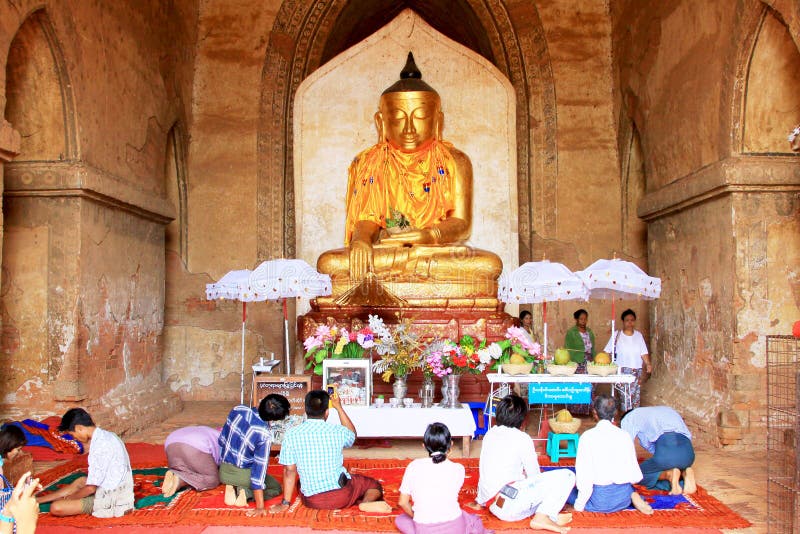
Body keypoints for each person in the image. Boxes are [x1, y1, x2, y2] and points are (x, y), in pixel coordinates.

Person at [317, 52, 502, 306]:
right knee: (330, 263)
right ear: (381, 122)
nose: (409, 129)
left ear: (438, 120)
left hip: (433, 250)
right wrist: (360, 241)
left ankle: (408, 273)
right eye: (399, 118)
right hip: (386, 250)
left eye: (420, 116)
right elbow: (368, 219)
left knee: (488, 265)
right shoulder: (370, 161)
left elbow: (461, 224)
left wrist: (427, 236)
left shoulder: (456, 161)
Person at [468, 395, 574, 533]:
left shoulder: (490, 434)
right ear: (523, 419)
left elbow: (487, 470)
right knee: (568, 475)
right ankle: (544, 516)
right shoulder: (522, 438)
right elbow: (534, 475)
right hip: (512, 506)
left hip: (493, 505)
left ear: (498, 414)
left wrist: (480, 501)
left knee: (524, 480)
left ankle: (551, 516)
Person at [270, 389, 388, 513]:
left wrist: (285, 503)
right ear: (327, 412)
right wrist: (339, 408)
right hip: (341, 496)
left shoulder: (291, 434)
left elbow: (289, 471)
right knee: (373, 485)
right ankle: (366, 503)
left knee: (300, 483)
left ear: (306, 411)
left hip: (312, 500)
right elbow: (352, 435)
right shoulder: (338, 431)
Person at [36, 408, 134, 518]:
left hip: (112, 501)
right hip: (123, 491)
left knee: (56, 507)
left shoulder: (99, 447)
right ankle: (38, 500)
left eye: (73, 435)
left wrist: (69, 499)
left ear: (79, 428)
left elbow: (90, 489)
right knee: (81, 481)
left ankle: (60, 500)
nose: (75, 438)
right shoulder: (108, 435)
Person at [395, 422, 489, 534]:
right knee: (469, 517)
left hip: (424, 529)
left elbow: (402, 502)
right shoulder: (459, 469)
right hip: (455, 528)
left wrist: (416, 516)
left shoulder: (413, 466)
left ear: (424, 446)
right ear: (451, 445)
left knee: (400, 520)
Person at [567, 395, 652, 514]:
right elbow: (635, 476)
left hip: (599, 500)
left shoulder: (588, 437)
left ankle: (632, 494)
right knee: (627, 486)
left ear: (594, 412)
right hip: (623, 497)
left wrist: (579, 506)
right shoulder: (624, 435)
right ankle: (633, 495)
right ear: (615, 413)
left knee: (565, 488)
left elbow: (584, 479)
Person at [218, 394, 290, 515]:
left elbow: (221, 440)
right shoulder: (263, 434)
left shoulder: (238, 409)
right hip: (242, 474)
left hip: (223, 470)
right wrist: (260, 507)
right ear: (275, 419)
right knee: (275, 487)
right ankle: (245, 492)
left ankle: (231, 486)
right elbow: (258, 474)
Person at [621, 406, 697, 495]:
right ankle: (685, 474)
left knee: (634, 476)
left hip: (666, 453)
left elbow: (625, 446)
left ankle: (669, 475)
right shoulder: (667, 410)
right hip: (688, 456)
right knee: (669, 464)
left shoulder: (628, 418)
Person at [603, 309, 651, 409]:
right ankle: (625, 418)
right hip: (622, 370)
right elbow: (606, 352)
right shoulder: (616, 335)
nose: (630, 322)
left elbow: (643, 352)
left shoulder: (638, 336)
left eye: (632, 320)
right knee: (624, 397)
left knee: (635, 398)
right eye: (627, 320)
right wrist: (605, 366)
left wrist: (648, 364)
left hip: (636, 371)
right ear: (623, 322)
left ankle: (633, 418)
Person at [161, 425, 222, 498]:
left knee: (184, 466)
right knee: (212, 479)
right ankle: (182, 480)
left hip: (171, 441)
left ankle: (174, 472)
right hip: (196, 444)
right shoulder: (227, 441)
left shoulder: (212, 432)